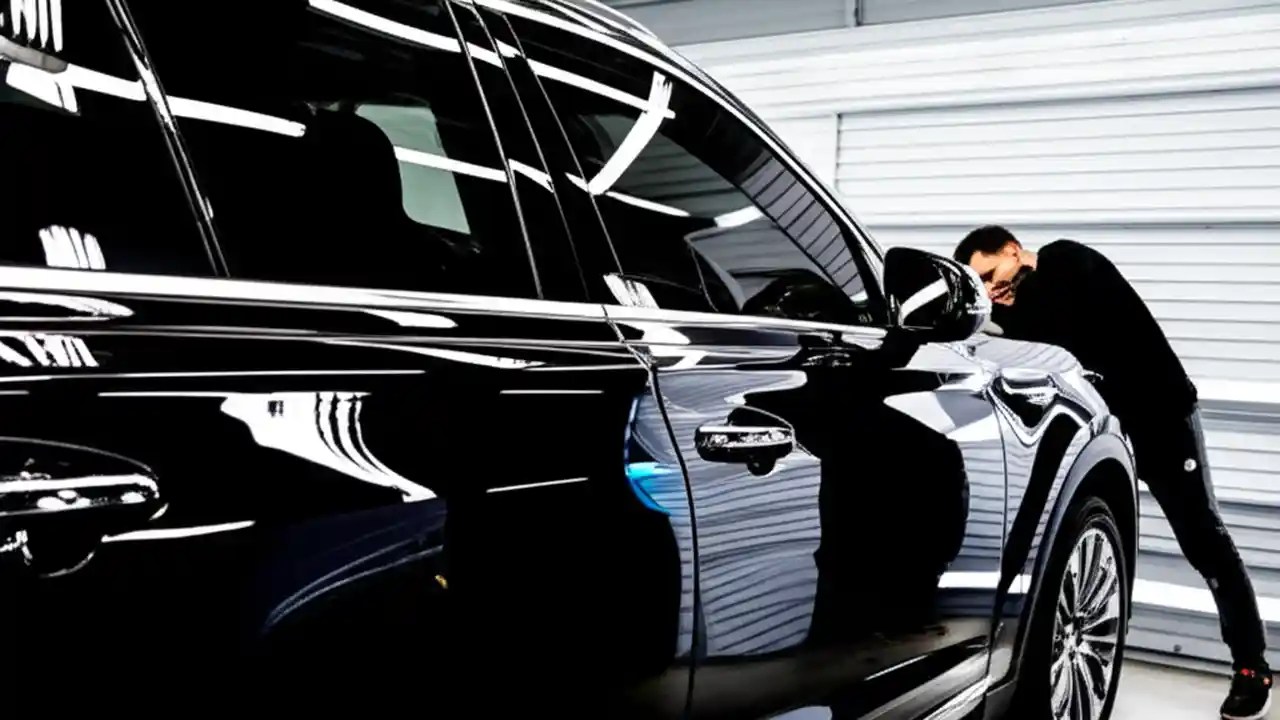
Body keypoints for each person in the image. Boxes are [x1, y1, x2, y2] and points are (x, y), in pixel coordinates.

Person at [954, 225, 1272, 720]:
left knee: (1204, 541)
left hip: (1164, 420)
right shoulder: (1020, 309)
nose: (994, 292)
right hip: (1106, 432)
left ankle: (1251, 666)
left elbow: (1060, 321)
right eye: (983, 286)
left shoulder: (1066, 262)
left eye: (994, 275)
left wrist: (997, 314)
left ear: (1015, 251)